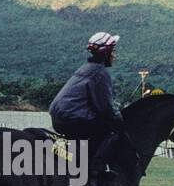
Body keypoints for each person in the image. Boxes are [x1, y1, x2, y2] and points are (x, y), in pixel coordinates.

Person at [49, 32, 131, 175]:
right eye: (113, 51)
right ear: (106, 53)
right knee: (114, 130)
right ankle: (96, 167)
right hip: (71, 119)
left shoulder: (86, 67)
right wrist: (120, 119)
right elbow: (105, 109)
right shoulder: (100, 73)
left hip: (59, 117)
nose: (114, 55)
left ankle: (76, 157)